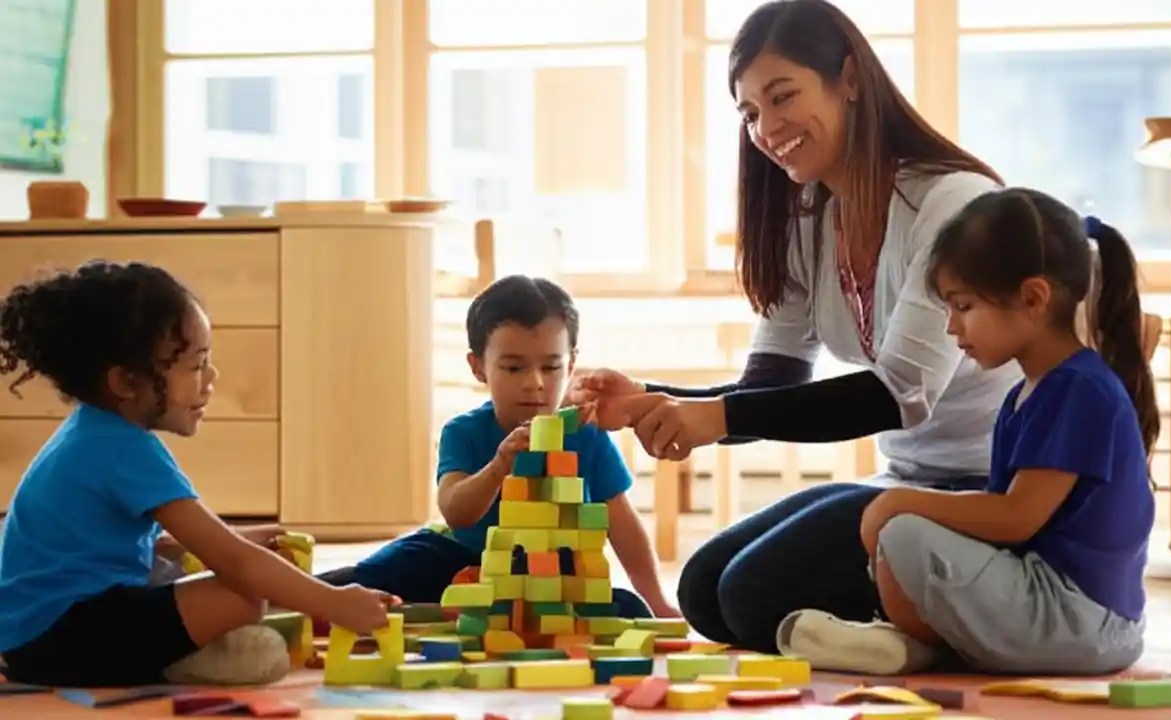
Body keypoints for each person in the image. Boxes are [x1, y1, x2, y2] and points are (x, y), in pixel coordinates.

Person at [568, 0, 1020, 654]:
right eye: (750, 113)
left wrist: (709, 418)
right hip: (906, 486)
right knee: (702, 588)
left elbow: (899, 395)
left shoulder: (949, 204)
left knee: (749, 595)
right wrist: (652, 399)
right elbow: (769, 383)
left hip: (988, 494)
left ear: (850, 81)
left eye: (782, 97)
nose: (767, 127)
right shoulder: (809, 220)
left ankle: (924, 635)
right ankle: (892, 627)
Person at [775, 189, 1157, 675]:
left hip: (1081, 621)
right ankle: (919, 645)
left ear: (1033, 298)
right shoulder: (1031, 393)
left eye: (963, 306)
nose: (952, 327)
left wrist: (899, 501)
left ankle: (925, 650)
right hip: (1067, 612)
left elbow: (1016, 518)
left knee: (905, 533)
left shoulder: (1078, 391)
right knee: (909, 533)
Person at [0, 260, 393, 688]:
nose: (212, 378)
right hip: (60, 640)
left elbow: (113, 546)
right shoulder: (125, 449)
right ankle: (182, 660)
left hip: (30, 633)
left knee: (224, 574)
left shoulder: (92, 430)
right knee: (241, 594)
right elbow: (236, 563)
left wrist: (235, 543)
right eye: (195, 365)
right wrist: (335, 603)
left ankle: (178, 645)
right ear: (126, 382)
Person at [320, 275, 680, 619]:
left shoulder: (587, 436)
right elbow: (455, 512)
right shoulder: (464, 431)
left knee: (627, 608)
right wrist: (499, 466)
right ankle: (298, 592)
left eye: (551, 367)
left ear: (570, 364)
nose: (534, 383)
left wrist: (657, 601)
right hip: (462, 557)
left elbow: (622, 525)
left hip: (548, 571)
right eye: (513, 368)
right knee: (386, 572)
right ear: (478, 367)